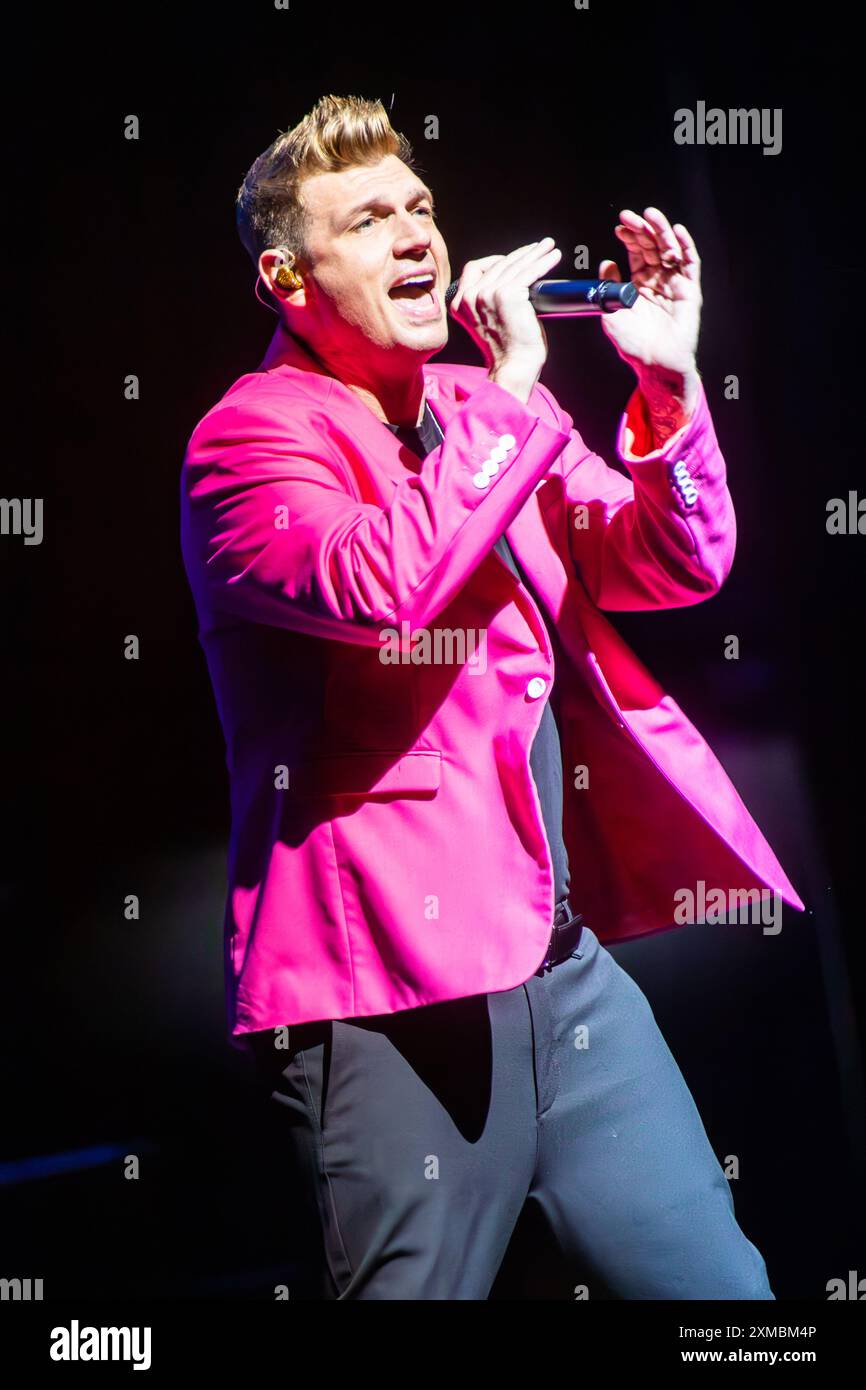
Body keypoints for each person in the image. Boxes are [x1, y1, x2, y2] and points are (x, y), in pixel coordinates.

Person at [180, 94, 804, 1299]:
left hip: (560, 972)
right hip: (391, 997)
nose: (416, 234)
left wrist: (665, 390)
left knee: (725, 1301)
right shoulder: (244, 441)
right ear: (287, 276)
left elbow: (664, 561)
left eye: (418, 207)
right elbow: (382, 585)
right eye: (367, 220)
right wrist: (516, 388)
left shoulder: (477, 406)